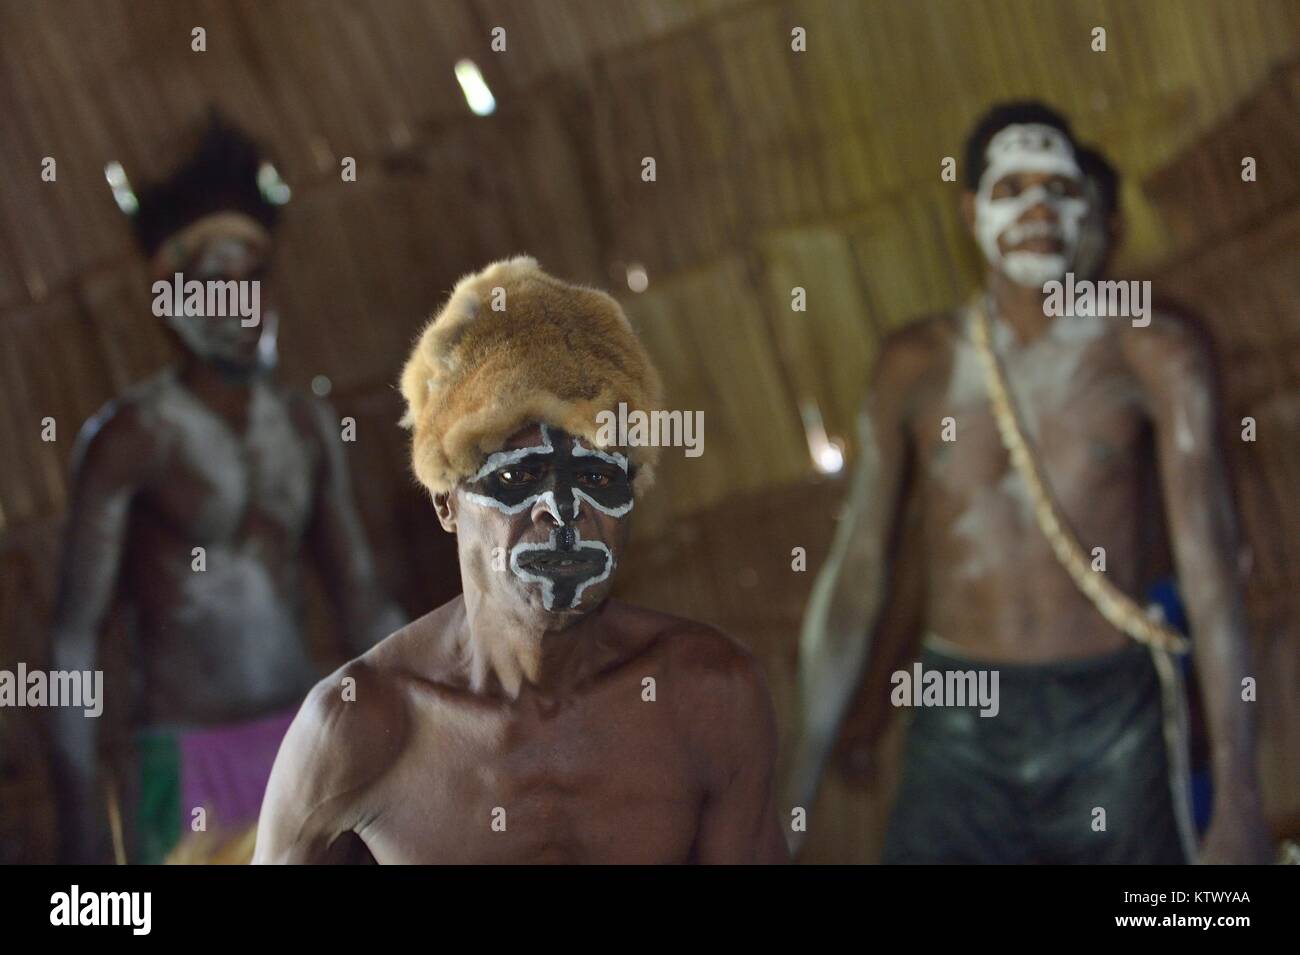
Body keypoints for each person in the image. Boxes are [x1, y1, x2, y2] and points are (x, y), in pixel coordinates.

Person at [786, 102, 1271, 864]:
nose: (1040, 208)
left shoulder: (1155, 352)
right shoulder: (918, 365)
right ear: (972, 212)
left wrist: (1241, 802)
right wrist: (796, 790)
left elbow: (1212, 575)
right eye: (1015, 189)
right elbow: (860, 574)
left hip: (1112, 712)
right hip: (958, 714)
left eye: (1061, 188)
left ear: (1089, 210)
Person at [254, 257, 787, 863]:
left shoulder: (709, 696)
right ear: (447, 502)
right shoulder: (357, 729)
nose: (561, 511)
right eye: (521, 475)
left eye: (593, 475)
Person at [49, 117, 403, 864]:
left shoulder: (305, 426)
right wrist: (81, 829)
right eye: (213, 282)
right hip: (183, 766)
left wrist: (434, 733)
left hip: (302, 750)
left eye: (254, 277)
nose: (241, 303)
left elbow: (362, 599)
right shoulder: (129, 440)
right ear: (166, 294)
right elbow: (73, 639)